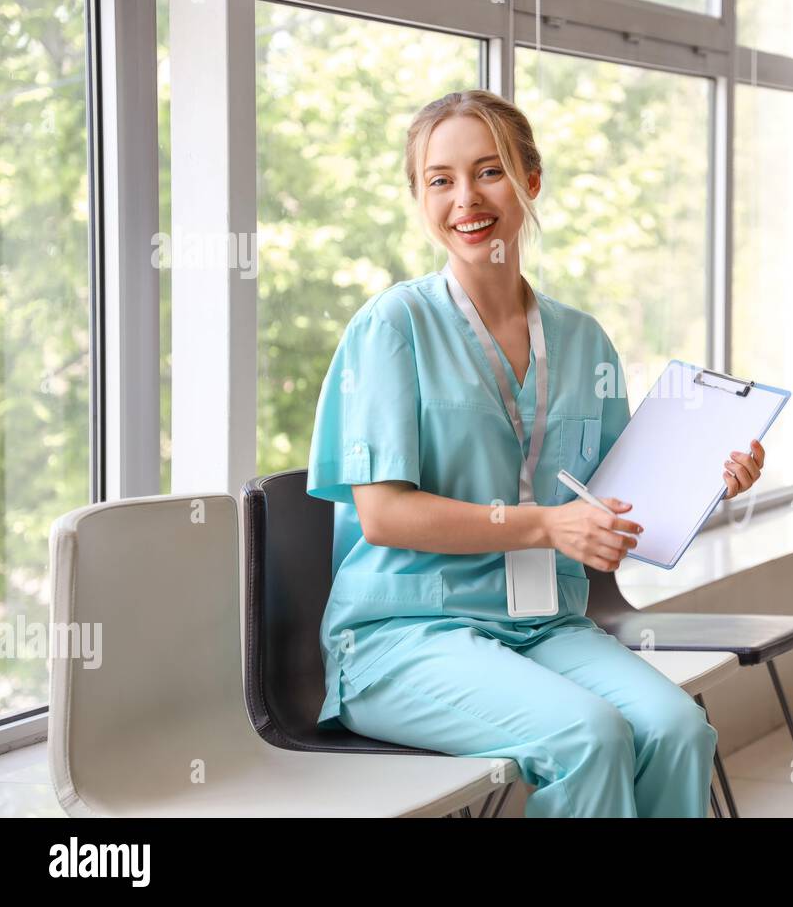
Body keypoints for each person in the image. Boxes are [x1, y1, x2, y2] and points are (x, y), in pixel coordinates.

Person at [305, 89, 766, 817]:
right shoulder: (392, 327)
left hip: (543, 624)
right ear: (419, 197)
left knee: (680, 729)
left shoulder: (582, 340)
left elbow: (621, 507)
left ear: (531, 179)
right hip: (404, 637)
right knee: (590, 737)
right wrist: (546, 527)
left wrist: (712, 480)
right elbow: (385, 516)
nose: (466, 199)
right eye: (440, 179)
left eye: (489, 172)